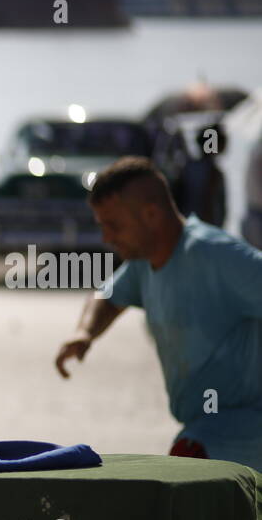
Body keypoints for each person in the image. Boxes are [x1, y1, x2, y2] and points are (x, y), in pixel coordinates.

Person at [55, 157, 262, 470]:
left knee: (186, 471)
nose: (106, 238)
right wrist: (85, 333)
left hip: (241, 426)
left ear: (151, 215)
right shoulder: (144, 262)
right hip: (204, 426)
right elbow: (108, 296)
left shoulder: (215, 254)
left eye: (114, 225)